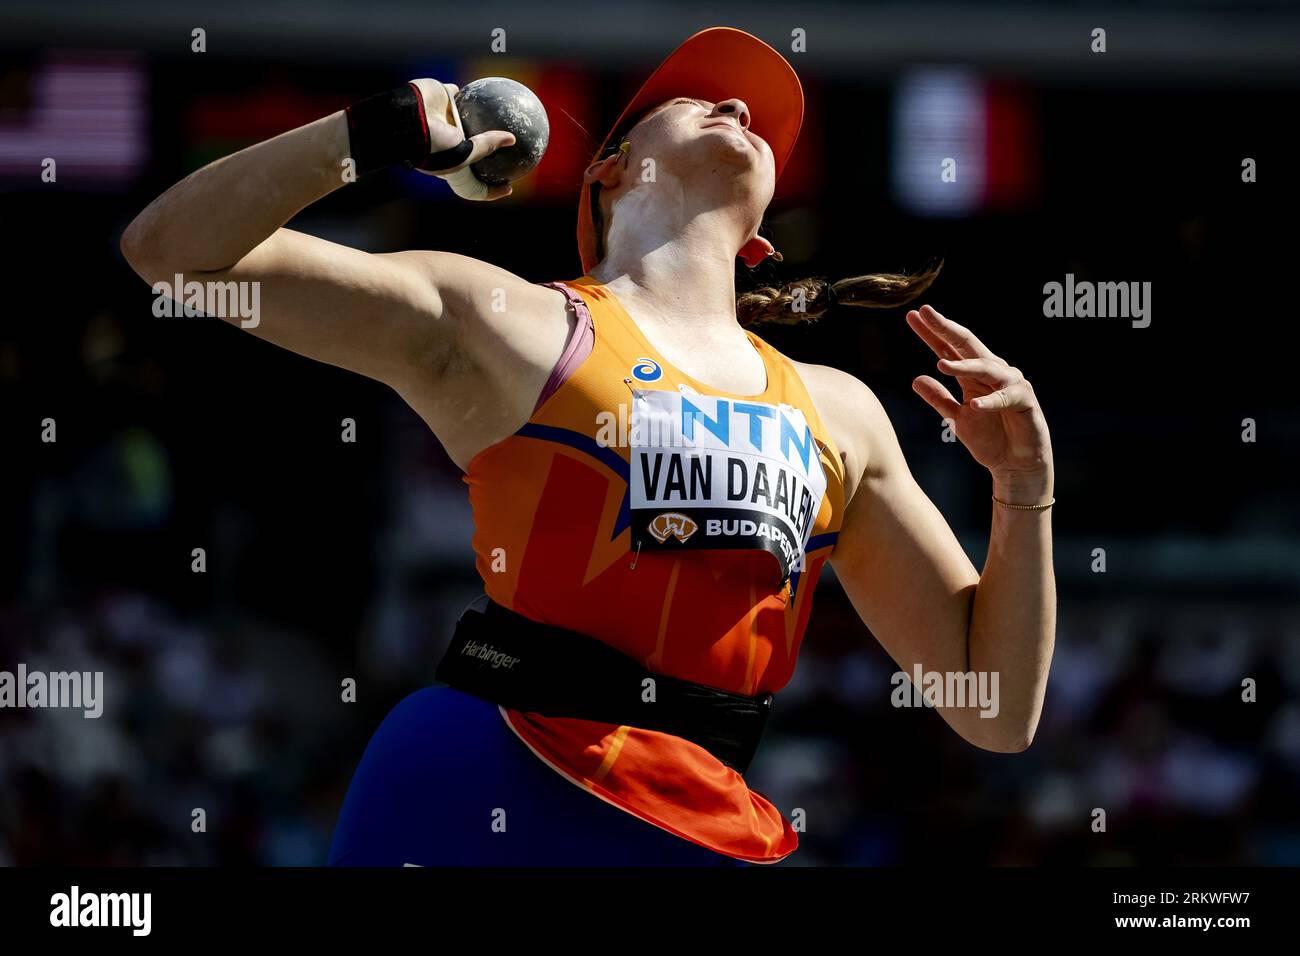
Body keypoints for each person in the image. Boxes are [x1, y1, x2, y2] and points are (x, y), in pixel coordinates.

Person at [120, 27, 1056, 866]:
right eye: (695, 99)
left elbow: (995, 708)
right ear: (609, 170)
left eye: (758, 121)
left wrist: (1022, 492)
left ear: (764, 235)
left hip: (702, 824)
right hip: (482, 776)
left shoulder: (840, 412)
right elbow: (171, 254)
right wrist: (367, 135)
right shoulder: (509, 321)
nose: (736, 107)